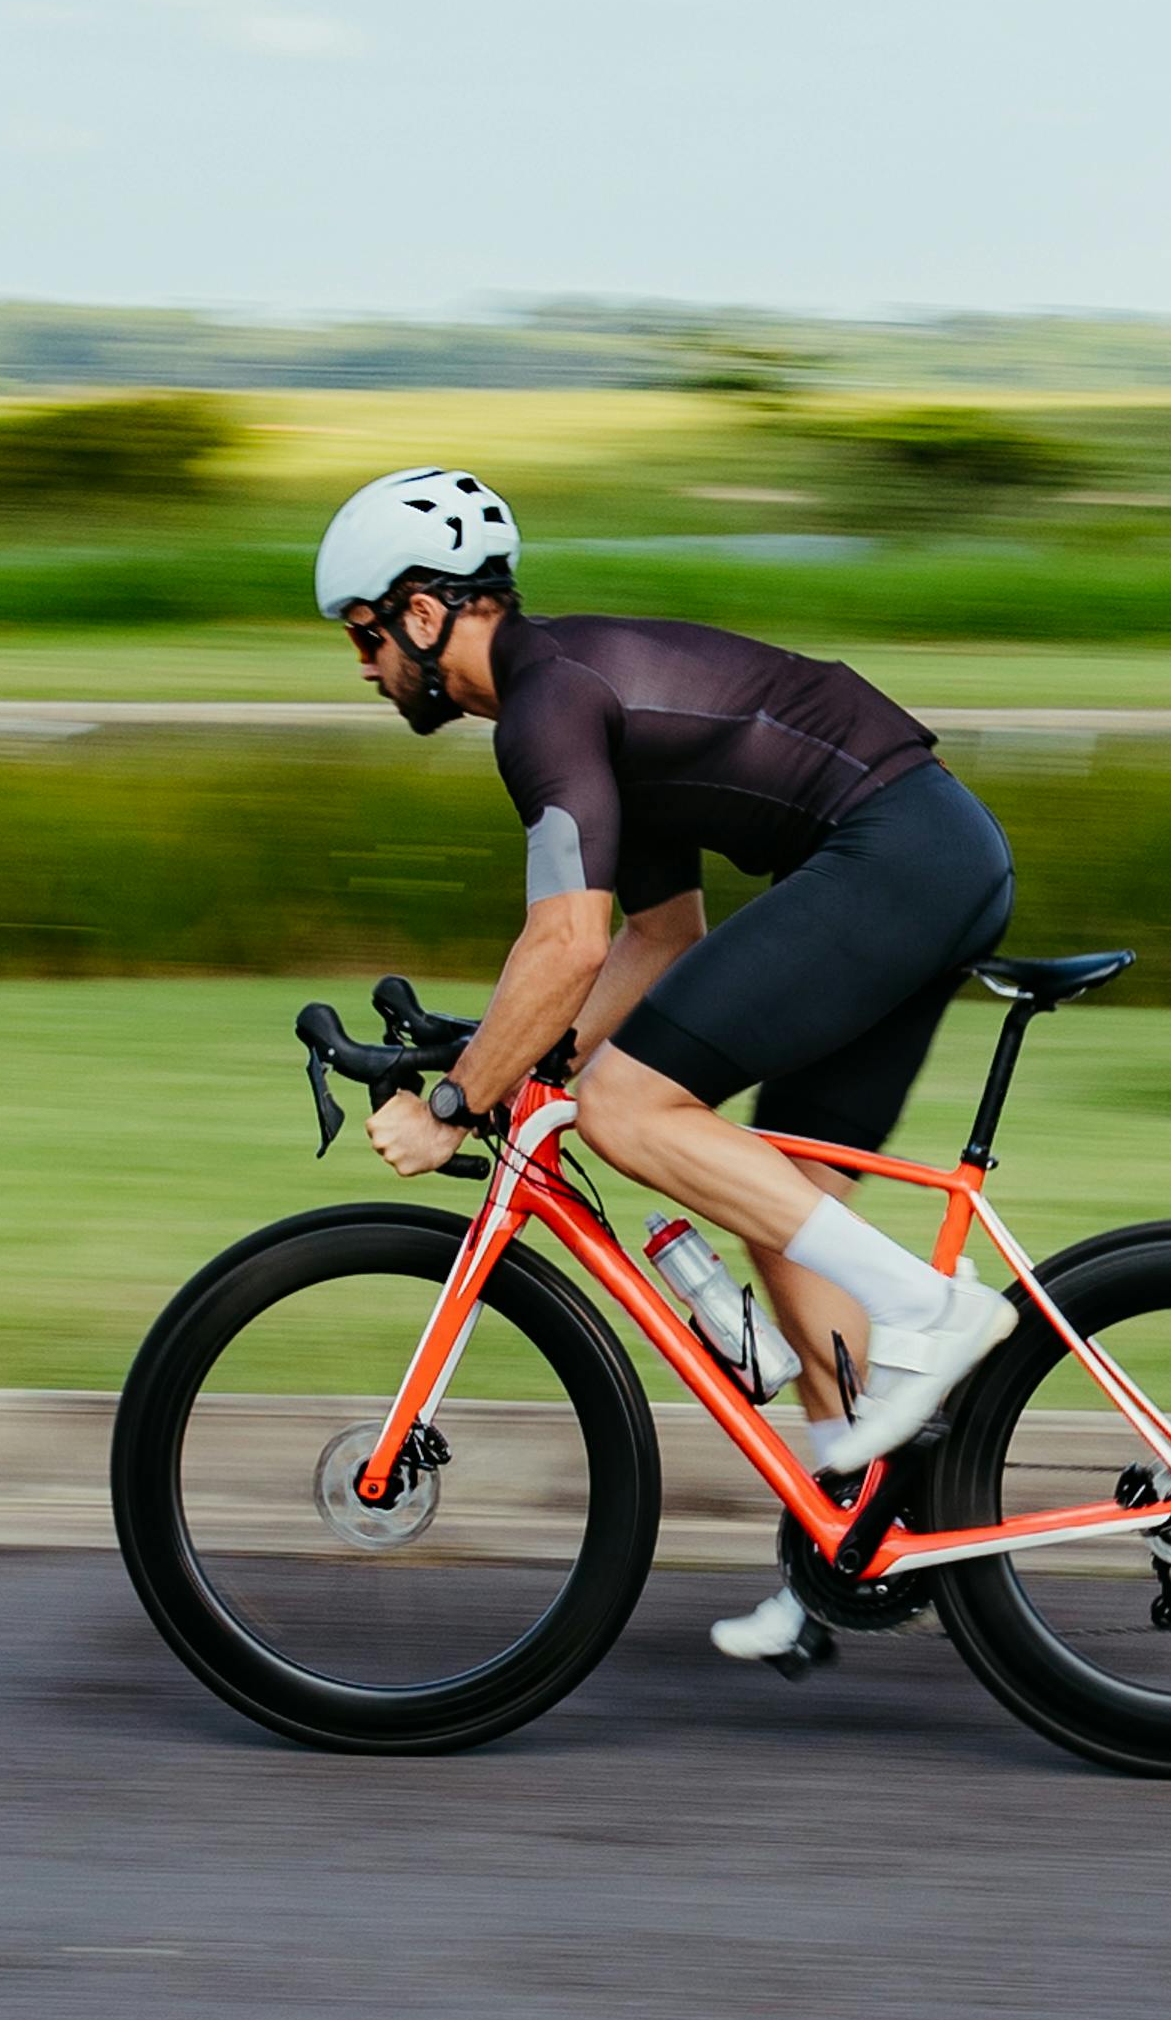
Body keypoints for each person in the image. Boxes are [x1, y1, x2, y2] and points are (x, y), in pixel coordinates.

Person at [316, 466, 1021, 1667]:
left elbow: (564, 939)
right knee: (787, 1203)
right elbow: (656, 938)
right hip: (918, 849)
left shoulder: (546, 707)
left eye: (368, 632)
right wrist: (512, 1054)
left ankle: (930, 1309)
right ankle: (846, 1555)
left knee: (626, 1109)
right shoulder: (572, 697)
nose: (363, 663)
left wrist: (454, 1102)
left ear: (429, 613)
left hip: (894, 847)